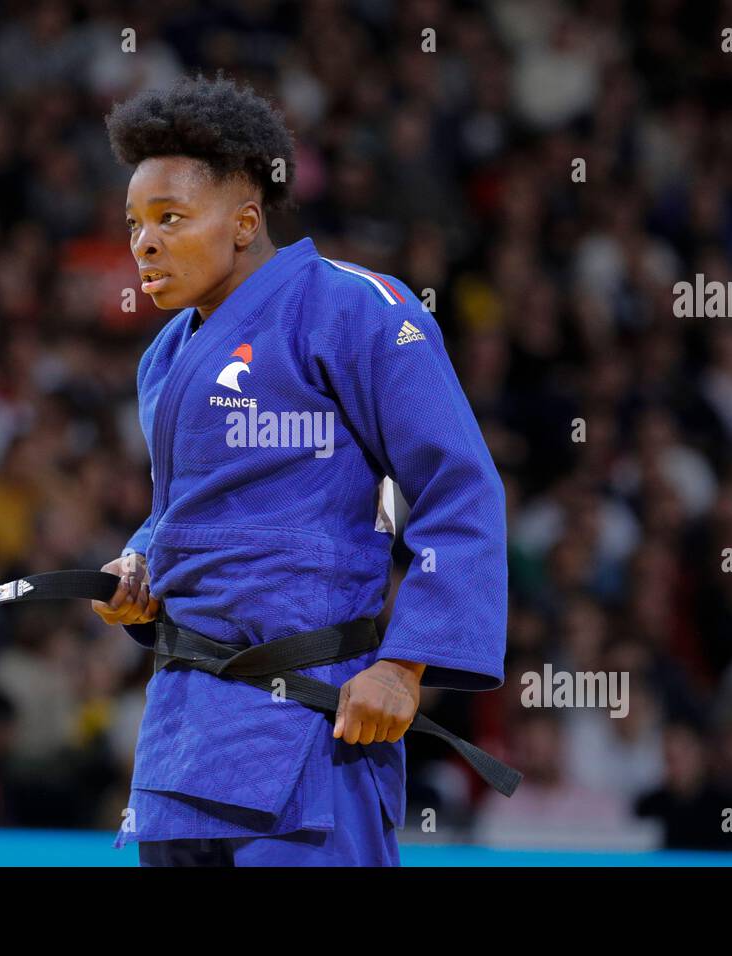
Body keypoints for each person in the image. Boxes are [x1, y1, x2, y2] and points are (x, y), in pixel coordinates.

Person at [91, 74, 510, 866]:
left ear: (246, 220)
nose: (143, 243)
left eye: (170, 218)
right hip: (183, 730)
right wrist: (141, 563)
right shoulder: (165, 356)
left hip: (314, 723)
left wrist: (404, 662)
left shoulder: (357, 309)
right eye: (135, 223)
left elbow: (460, 492)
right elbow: (182, 512)